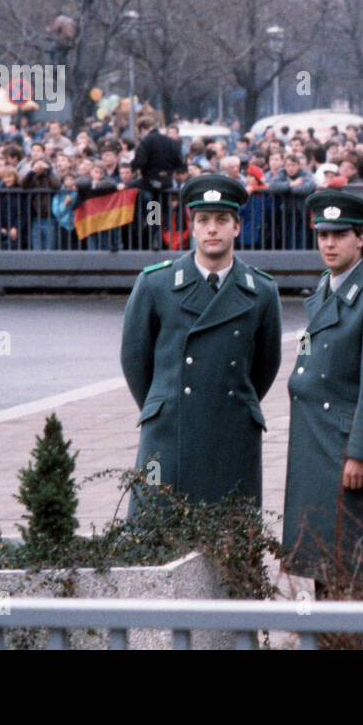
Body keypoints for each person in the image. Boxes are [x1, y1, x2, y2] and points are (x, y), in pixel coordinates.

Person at [119, 174, 282, 513]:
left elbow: (266, 363)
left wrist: (230, 398)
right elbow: (135, 359)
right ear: (191, 228)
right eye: (203, 220)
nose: (212, 229)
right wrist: (164, 403)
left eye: (222, 220)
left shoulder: (262, 290)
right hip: (170, 432)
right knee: (156, 533)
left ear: (237, 228)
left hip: (232, 430)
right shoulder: (156, 284)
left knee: (230, 539)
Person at [283, 190, 363, 595]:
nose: (329, 245)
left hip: (345, 448)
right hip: (316, 445)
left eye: (339, 235)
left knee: (355, 558)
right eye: (322, 236)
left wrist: (361, 452)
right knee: (323, 557)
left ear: (361, 238)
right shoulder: (325, 288)